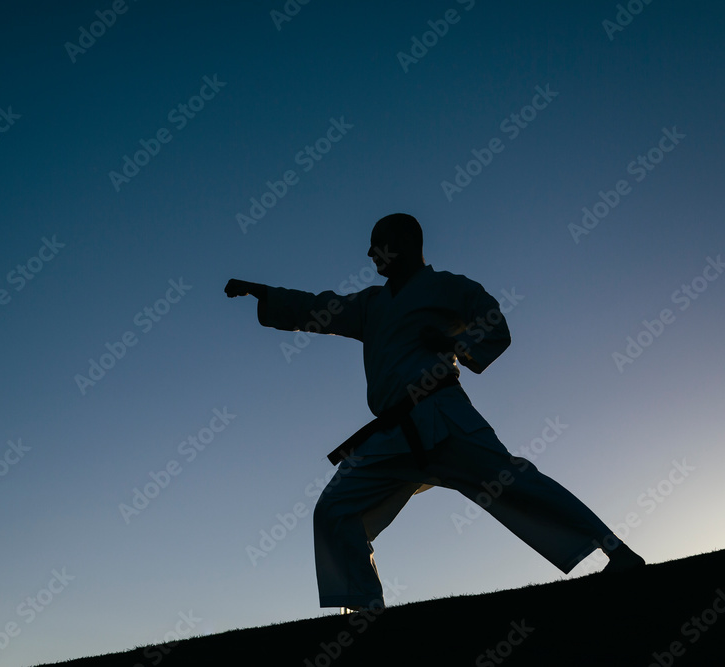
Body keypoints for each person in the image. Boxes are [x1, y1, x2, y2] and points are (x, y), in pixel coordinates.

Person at [224, 213, 644, 611]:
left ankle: (617, 552)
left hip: (444, 416)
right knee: (335, 510)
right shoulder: (371, 304)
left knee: (515, 483)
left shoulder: (448, 287)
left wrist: (452, 345)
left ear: (405, 242)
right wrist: (267, 294)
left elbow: (495, 327)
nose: (370, 254)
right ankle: (365, 612)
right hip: (392, 435)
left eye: (378, 244)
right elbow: (322, 308)